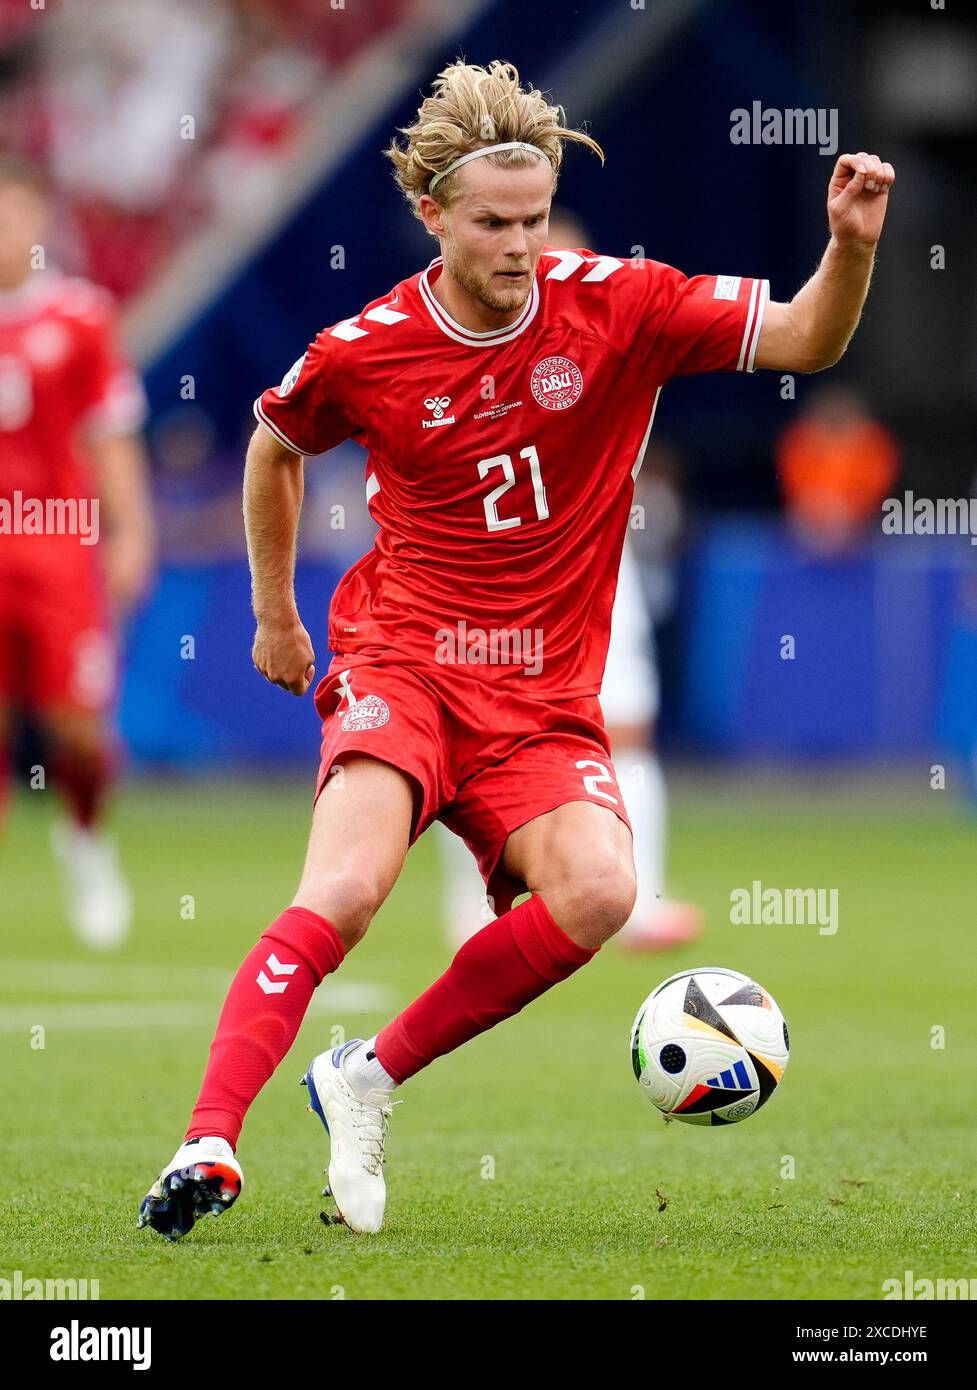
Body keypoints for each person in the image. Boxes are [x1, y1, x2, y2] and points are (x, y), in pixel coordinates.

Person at [139, 59, 894, 1238]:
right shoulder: (368, 346)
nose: (517, 245)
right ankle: (207, 1142)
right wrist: (274, 614)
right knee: (341, 893)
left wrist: (845, 245)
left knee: (599, 892)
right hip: (405, 662)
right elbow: (274, 444)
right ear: (430, 213)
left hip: (539, 696)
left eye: (532, 220)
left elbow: (803, 338)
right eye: (491, 223)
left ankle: (365, 1079)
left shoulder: (619, 303)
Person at [437, 205, 702, 952]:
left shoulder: (600, 337)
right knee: (475, 744)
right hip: (492, 580)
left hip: (597, 571)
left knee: (627, 730)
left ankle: (637, 895)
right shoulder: (470, 351)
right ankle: (475, 909)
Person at [0, 155, 155, 947]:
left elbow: (111, 432)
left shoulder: (81, 316)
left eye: (17, 215)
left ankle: (87, 839)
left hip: (58, 545)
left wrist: (132, 530)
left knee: (77, 727)